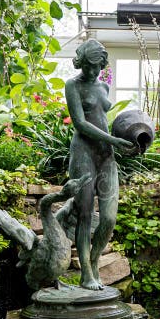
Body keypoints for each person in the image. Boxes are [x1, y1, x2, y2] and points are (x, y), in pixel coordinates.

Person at [65, 39, 134, 290]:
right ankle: (86, 273)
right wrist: (113, 140)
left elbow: (104, 119)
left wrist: (126, 138)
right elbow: (80, 123)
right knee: (84, 215)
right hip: (83, 155)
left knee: (108, 218)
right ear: (82, 62)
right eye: (90, 66)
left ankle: (94, 261)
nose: (94, 72)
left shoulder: (104, 86)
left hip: (106, 156)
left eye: (98, 67)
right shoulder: (73, 85)